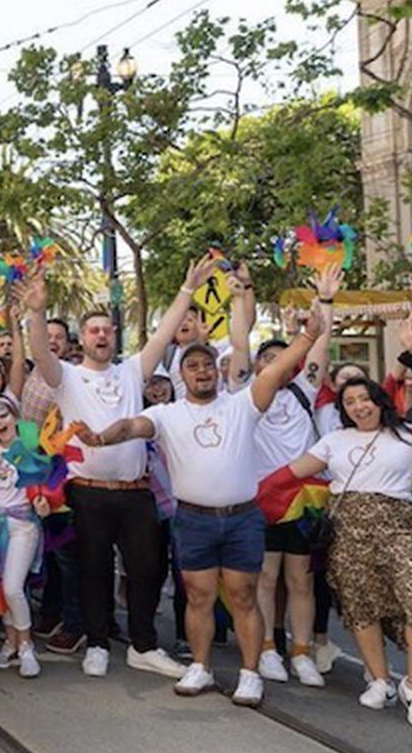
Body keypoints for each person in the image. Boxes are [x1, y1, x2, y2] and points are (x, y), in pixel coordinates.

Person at [80, 295, 323, 707]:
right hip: (193, 520)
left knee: (245, 594)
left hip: (242, 517)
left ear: (217, 369)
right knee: (197, 595)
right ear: (181, 374)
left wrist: (308, 336)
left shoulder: (241, 405)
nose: (202, 372)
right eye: (192, 366)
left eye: (207, 364)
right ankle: (201, 665)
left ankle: (250, 674)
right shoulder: (166, 415)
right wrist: (101, 437)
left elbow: (276, 370)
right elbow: (130, 425)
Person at [22, 257, 215, 680]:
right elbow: (39, 353)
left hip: (135, 491)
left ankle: (143, 645)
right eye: (93, 330)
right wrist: (35, 311)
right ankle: (96, 643)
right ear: (82, 339)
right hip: (86, 491)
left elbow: (165, 333)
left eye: (107, 329)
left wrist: (187, 288)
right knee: (92, 571)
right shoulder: (66, 376)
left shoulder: (132, 370)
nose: (102, 335)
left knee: (148, 569)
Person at [274, 378, 412, 726]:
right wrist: (249, 495)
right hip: (347, 535)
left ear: (379, 401)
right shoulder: (333, 441)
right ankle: (380, 681)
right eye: (350, 402)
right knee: (360, 608)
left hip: (399, 531)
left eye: (365, 398)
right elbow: (288, 476)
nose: (359, 406)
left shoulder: (410, 433)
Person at [251, 267, 338, 690]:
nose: (275, 364)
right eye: (267, 359)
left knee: (300, 578)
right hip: (264, 497)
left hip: (303, 497)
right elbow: (236, 339)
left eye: (281, 357)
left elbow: (320, 342)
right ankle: (268, 647)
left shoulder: (304, 388)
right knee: (266, 576)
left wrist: (325, 301)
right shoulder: (246, 398)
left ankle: (301, 651)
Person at [0, 399, 51, 678]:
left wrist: (44, 503)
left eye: (3, 415)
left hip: (23, 526)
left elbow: (46, 486)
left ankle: (27, 646)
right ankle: (11, 642)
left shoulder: (31, 445)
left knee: (12, 588)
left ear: (15, 417)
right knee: (4, 587)